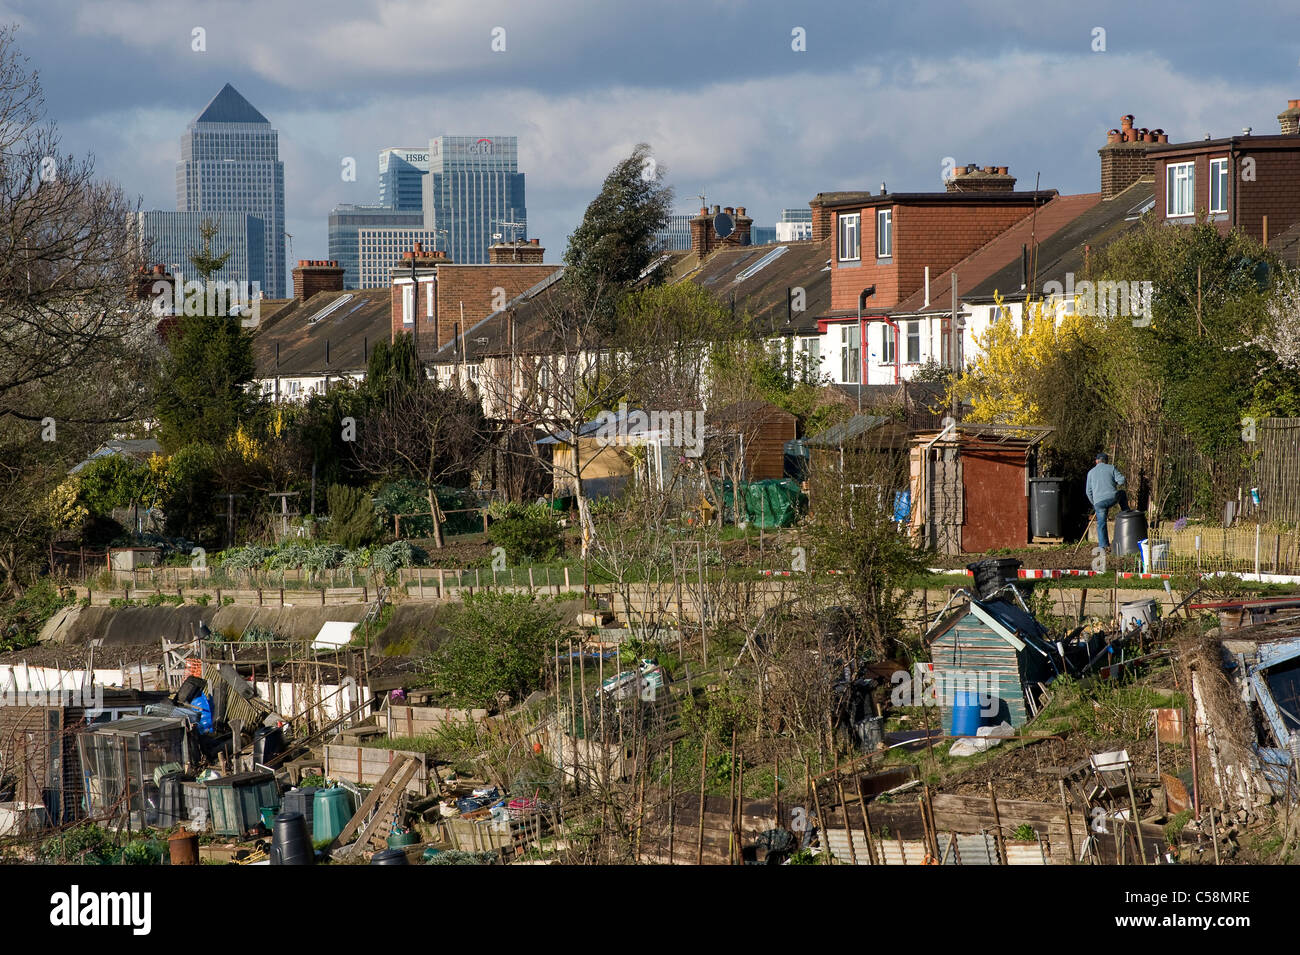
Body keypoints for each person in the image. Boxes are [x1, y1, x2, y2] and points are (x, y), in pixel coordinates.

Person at [1086, 452, 1126, 551]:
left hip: (1099, 503)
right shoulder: (1111, 468)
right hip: (1112, 498)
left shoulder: (1090, 473)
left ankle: (1103, 546)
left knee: (1101, 523)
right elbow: (1122, 480)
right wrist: (1114, 482)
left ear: (1096, 461)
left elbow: (1088, 491)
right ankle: (1126, 513)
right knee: (1122, 493)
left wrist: (1094, 503)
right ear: (1106, 461)